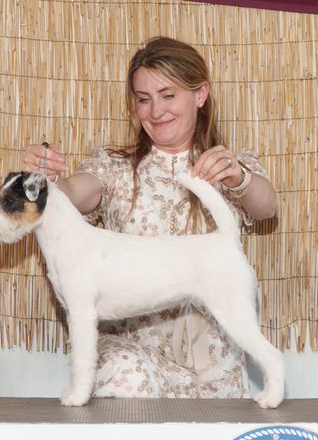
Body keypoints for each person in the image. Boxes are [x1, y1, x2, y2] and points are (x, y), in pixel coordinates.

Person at [23, 36, 277, 399]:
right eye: (144, 99)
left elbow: (266, 206)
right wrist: (47, 180)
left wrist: (239, 178)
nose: (156, 111)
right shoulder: (113, 168)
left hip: (215, 368)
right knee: (128, 377)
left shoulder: (228, 166)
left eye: (168, 95)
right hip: (133, 358)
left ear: (200, 94)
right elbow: (75, 192)